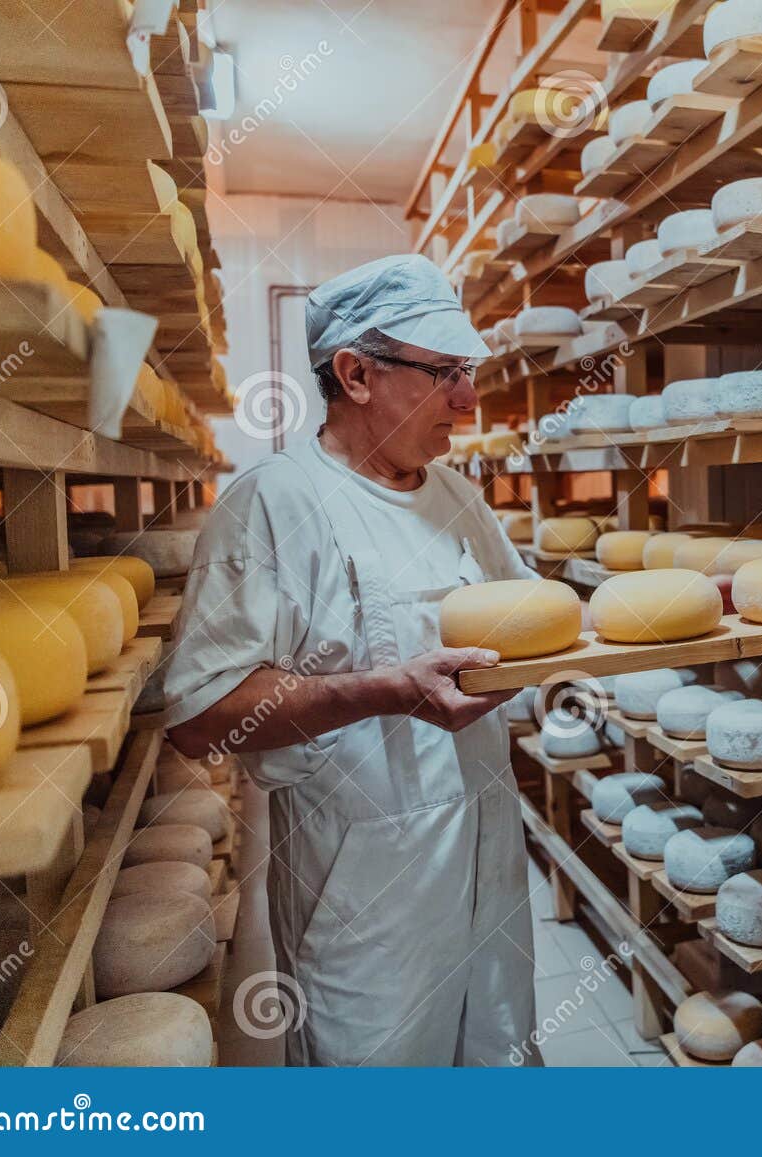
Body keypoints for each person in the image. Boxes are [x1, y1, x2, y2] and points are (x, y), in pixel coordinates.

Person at [164, 254, 539, 1066]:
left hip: (486, 859)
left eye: (467, 372)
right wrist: (383, 691)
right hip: (368, 892)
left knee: (495, 1062)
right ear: (356, 373)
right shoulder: (275, 503)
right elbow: (198, 715)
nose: (470, 400)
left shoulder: (458, 498)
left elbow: (533, 616)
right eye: (445, 374)